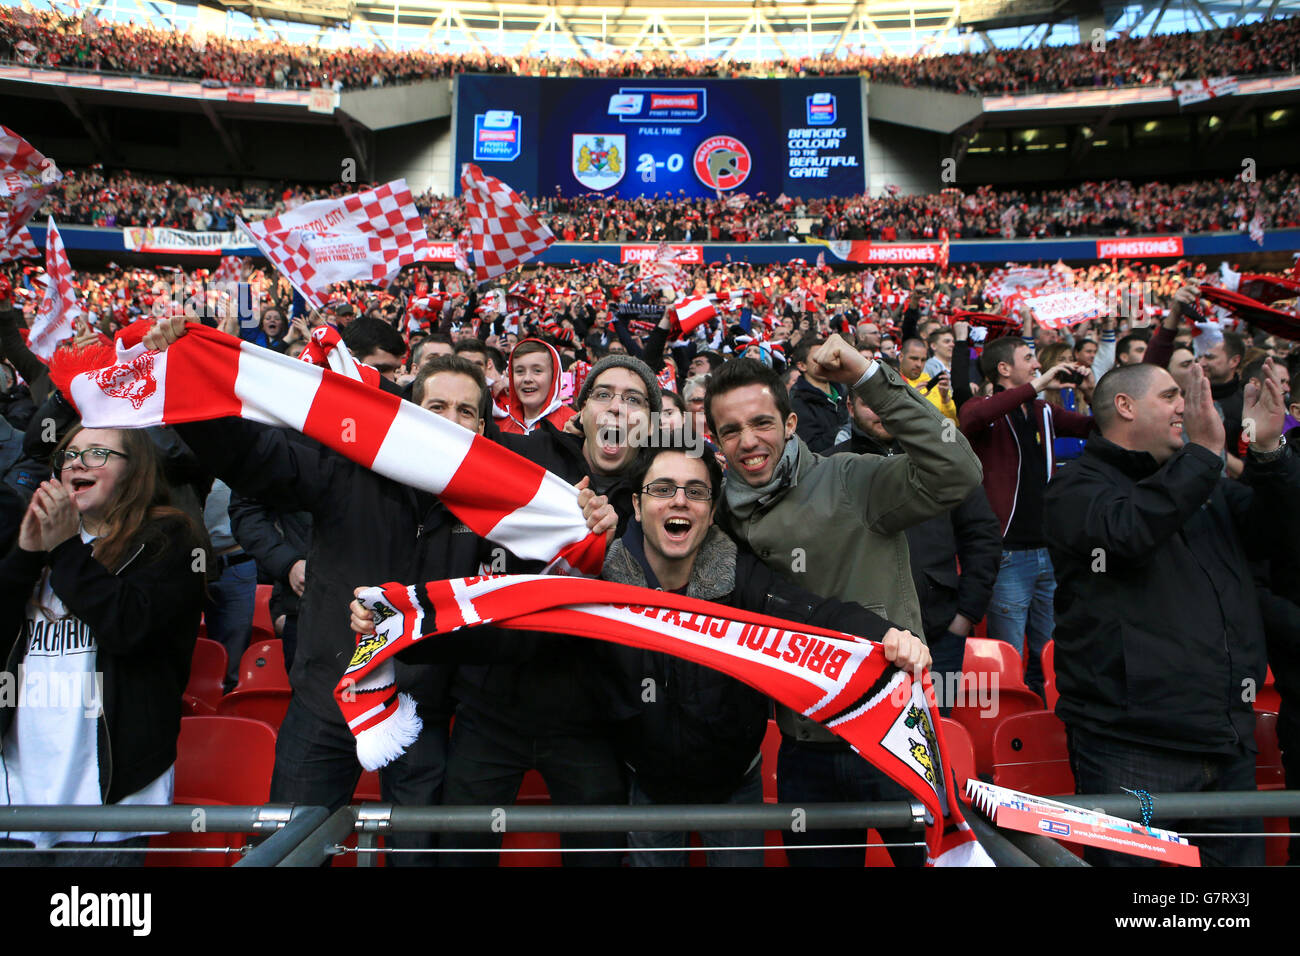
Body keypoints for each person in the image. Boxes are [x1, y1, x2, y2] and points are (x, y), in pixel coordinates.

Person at [705, 344, 982, 866]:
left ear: (790, 422)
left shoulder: (850, 477)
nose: (748, 442)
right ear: (717, 441)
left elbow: (958, 473)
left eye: (761, 422)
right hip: (804, 746)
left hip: (897, 737)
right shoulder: (722, 515)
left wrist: (868, 376)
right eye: (730, 430)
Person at [598, 435, 929, 866]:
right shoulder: (598, 584)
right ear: (638, 506)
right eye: (662, 489)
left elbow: (813, 614)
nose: (680, 502)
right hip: (648, 785)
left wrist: (887, 634)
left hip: (736, 783)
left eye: (696, 492)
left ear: (712, 512)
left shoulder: (742, 578)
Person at [1044, 360, 1297, 867]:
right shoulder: (1077, 487)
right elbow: (1127, 533)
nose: (1186, 406)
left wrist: (1269, 455)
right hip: (1133, 745)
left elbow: (1280, 535)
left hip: (1225, 737)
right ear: (1125, 406)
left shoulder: (1203, 482)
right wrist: (1204, 455)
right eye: (1170, 396)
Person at [0, 426, 207, 864]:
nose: (77, 463)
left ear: (135, 472)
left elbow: (130, 627)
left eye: (97, 453)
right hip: (18, 782)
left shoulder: (170, 540)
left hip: (110, 790)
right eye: (69, 454)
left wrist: (65, 549)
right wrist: (24, 554)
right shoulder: (40, 543)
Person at [832, 394, 1001, 714]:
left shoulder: (942, 462)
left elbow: (982, 536)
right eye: (870, 403)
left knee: (934, 744)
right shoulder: (828, 465)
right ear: (851, 409)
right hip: (856, 644)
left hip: (940, 636)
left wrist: (964, 617)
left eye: (888, 402)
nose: (880, 409)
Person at [958, 332, 1092, 698]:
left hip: (1049, 551)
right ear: (1004, 369)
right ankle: (1009, 728)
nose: (1038, 365)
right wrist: (1038, 385)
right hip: (1008, 555)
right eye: (1028, 359)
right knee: (1009, 656)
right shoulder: (984, 408)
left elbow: (1093, 428)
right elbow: (971, 418)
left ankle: (1042, 720)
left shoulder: (1043, 411)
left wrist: (1093, 392)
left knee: (1049, 653)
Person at [496, 339, 575, 435]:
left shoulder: (572, 424)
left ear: (554, 376)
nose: (527, 379)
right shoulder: (500, 429)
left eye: (537, 371)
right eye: (520, 371)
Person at [788, 338, 849, 453]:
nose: (825, 361)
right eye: (818, 357)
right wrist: (846, 432)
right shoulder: (797, 402)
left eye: (828, 356)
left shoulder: (846, 393)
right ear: (802, 366)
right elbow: (811, 448)